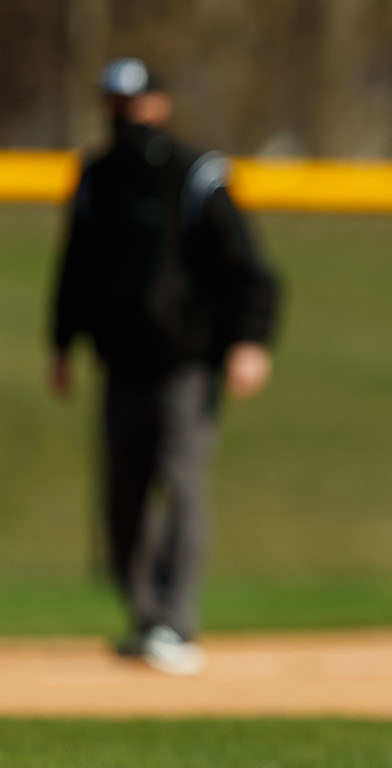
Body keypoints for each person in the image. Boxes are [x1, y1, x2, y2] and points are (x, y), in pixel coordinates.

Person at [48, 57, 279, 676]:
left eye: (136, 104)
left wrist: (249, 340)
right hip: (120, 363)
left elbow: (248, 267)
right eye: (116, 107)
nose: (127, 118)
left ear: (161, 105)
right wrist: (60, 343)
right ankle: (146, 618)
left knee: (180, 487)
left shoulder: (197, 175)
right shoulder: (96, 178)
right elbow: (74, 266)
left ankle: (175, 623)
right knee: (121, 499)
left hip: (187, 364)